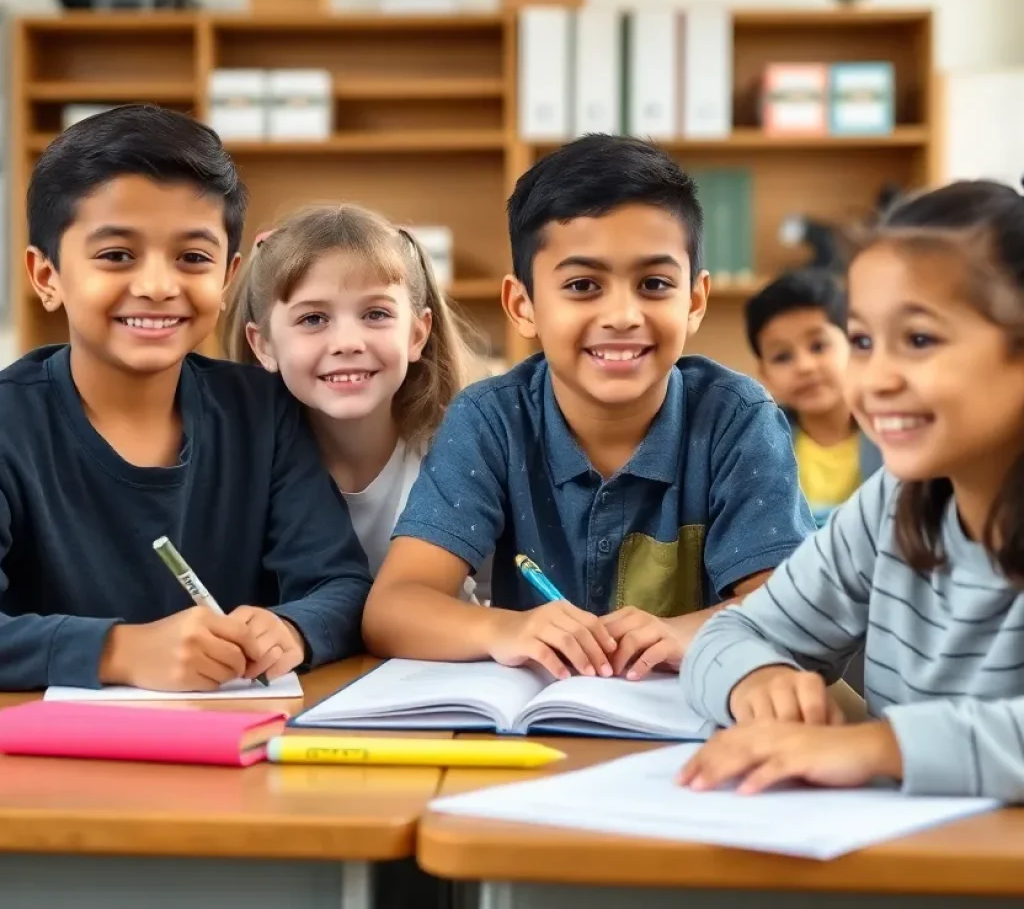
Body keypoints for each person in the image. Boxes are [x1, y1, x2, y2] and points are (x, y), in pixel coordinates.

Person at [362, 134, 814, 681]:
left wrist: (681, 633)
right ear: (522, 306)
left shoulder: (737, 419)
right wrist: (504, 630)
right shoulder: (491, 420)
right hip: (535, 729)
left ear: (694, 301)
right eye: (582, 285)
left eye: (653, 284)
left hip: (686, 734)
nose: (622, 314)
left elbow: (794, 611)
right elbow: (393, 608)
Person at [0, 104, 372, 692]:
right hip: (43, 759)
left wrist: (292, 629)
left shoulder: (263, 411)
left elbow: (340, 585)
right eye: (116, 255)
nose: (156, 286)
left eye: (193, 258)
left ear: (227, 278)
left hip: (233, 742)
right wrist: (119, 651)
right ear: (46, 276)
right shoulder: (10, 424)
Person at [680, 179, 1024, 801]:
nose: (875, 380)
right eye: (863, 341)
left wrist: (875, 746)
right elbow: (729, 637)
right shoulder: (891, 503)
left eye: (919, 339)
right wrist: (756, 679)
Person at [223, 203, 488, 598]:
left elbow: (494, 596)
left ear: (417, 334)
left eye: (376, 314)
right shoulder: (237, 465)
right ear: (263, 344)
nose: (348, 343)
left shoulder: (463, 453)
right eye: (313, 319)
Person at [745, 269, 881, 526]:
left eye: (818, 346)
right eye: (782, 357)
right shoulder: (760, 445)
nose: (804, 366)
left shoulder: (891, 433)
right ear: (765, 374)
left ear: (856, 344)